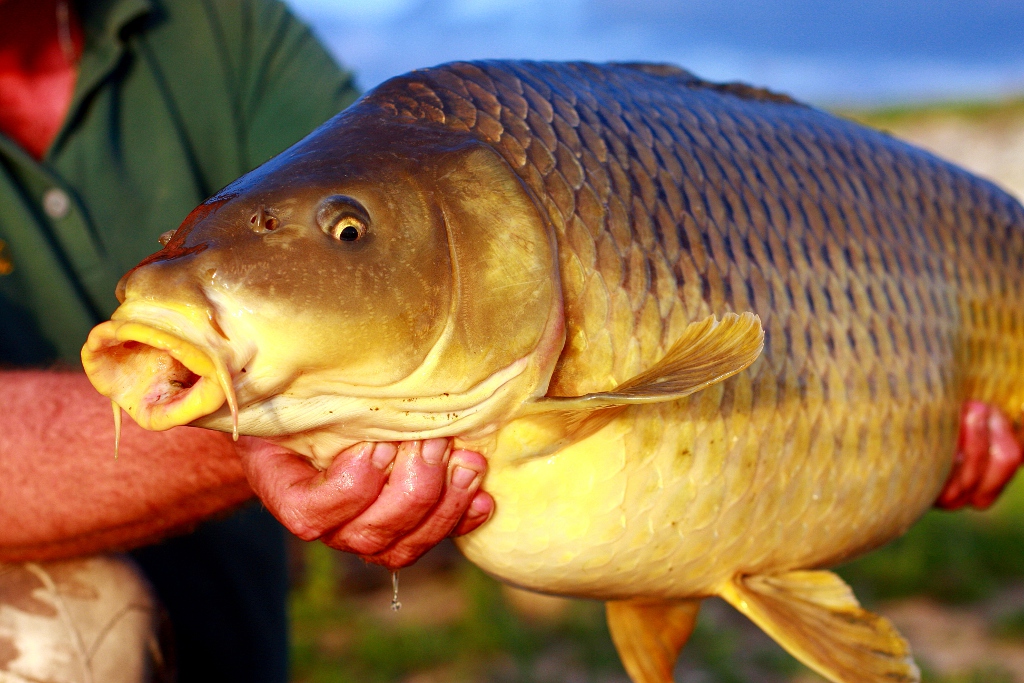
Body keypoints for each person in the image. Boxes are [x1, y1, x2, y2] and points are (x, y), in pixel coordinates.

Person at [0, 0, 492, 681]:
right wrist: (287, 422)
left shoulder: (218, 24)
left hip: (238, 645)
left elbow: (403, 241)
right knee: (61, 640)